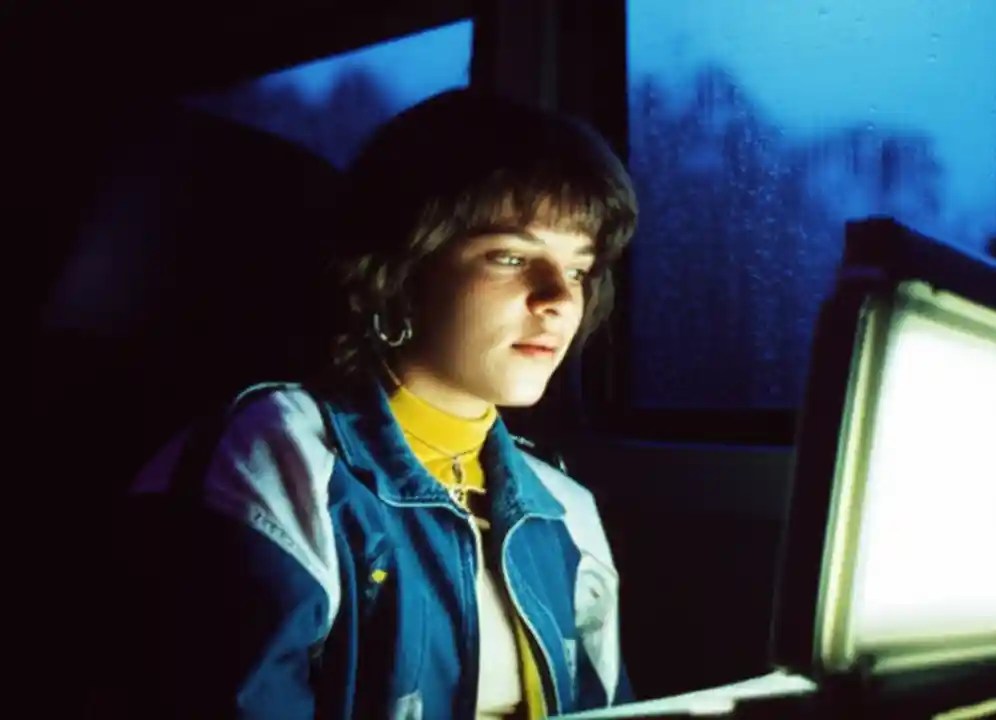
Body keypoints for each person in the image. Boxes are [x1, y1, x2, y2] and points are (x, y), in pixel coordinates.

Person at [100, 88, 639, 720]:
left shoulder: (563, 510)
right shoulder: (277, 459)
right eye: (512, 257)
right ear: (402, 272)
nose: (558, 299)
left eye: (578, 269)